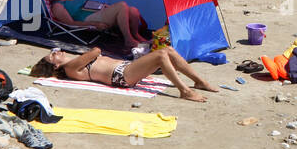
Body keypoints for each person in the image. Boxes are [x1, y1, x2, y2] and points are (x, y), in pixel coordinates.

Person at [32, 45, 217, 102]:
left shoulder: (74, 63)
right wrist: (91, 53)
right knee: (161, 55)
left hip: (126, 69)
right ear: (55, 66)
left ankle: (199, 81)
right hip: (121, 76)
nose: (57, 52)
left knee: (167, 50)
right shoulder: (70, 68)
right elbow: (97, 51)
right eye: (53, 55)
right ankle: (185, 91)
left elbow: (96, 54)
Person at [39, 0, 149, 49]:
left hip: (98, 12)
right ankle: (128, 40)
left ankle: (136, 35)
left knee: (133, 10)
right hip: (88, 19)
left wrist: (103, 6)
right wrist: (94, 24)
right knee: (122, 5)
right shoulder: (58, 6)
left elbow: (90, 3)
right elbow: (71, 24)